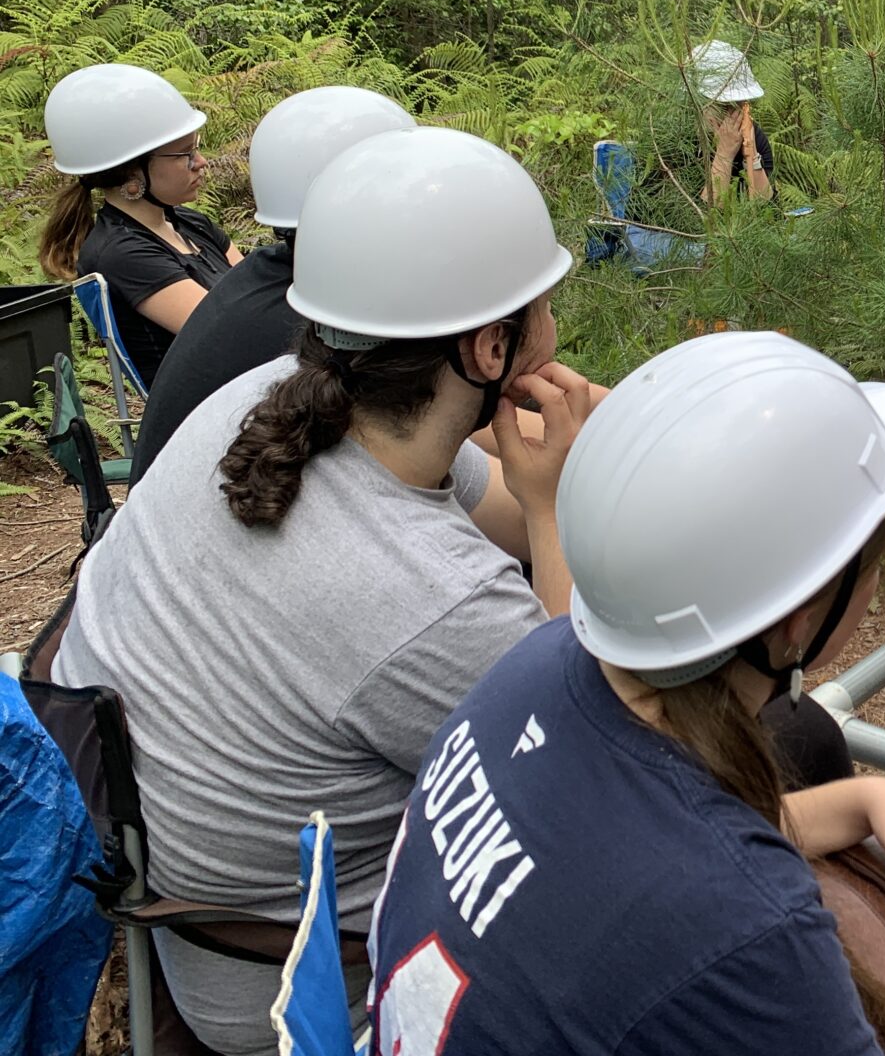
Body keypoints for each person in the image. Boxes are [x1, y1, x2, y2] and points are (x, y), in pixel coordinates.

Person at [368, 331, 885, 1056]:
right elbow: (684, 884)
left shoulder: (538, 663)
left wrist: (861, 803)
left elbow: (623, 855)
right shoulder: (752, 926)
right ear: (800, 621)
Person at [53, 126, 586, 1054]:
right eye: (539, 307)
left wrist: (560, 481)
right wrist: (556, 514)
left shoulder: (272, 398)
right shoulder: (439, 605)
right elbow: (590, 775)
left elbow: (482, 502)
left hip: (181, 908)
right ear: (492, 347)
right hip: (304, 989)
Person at [129, 86, 417, 486]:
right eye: (183, 153)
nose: (201, 163)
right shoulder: (320, 317)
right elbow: (422, 426)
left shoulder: (269, 272)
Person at [39, 63, 242, 385]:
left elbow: (256, 289)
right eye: (184, 154)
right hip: (207, 408)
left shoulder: (190, 223)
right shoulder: (122, 253)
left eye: (197, 147)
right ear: (131, 172)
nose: (201, 163)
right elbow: (230, 330)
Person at [688, 38, 775, 203]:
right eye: (723, 105)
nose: (733, 114)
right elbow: (699, 219)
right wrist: (724, 154)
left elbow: (768, 210)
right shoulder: (674, 142)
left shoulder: (753, 135)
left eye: (739, 104)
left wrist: (752, 155)